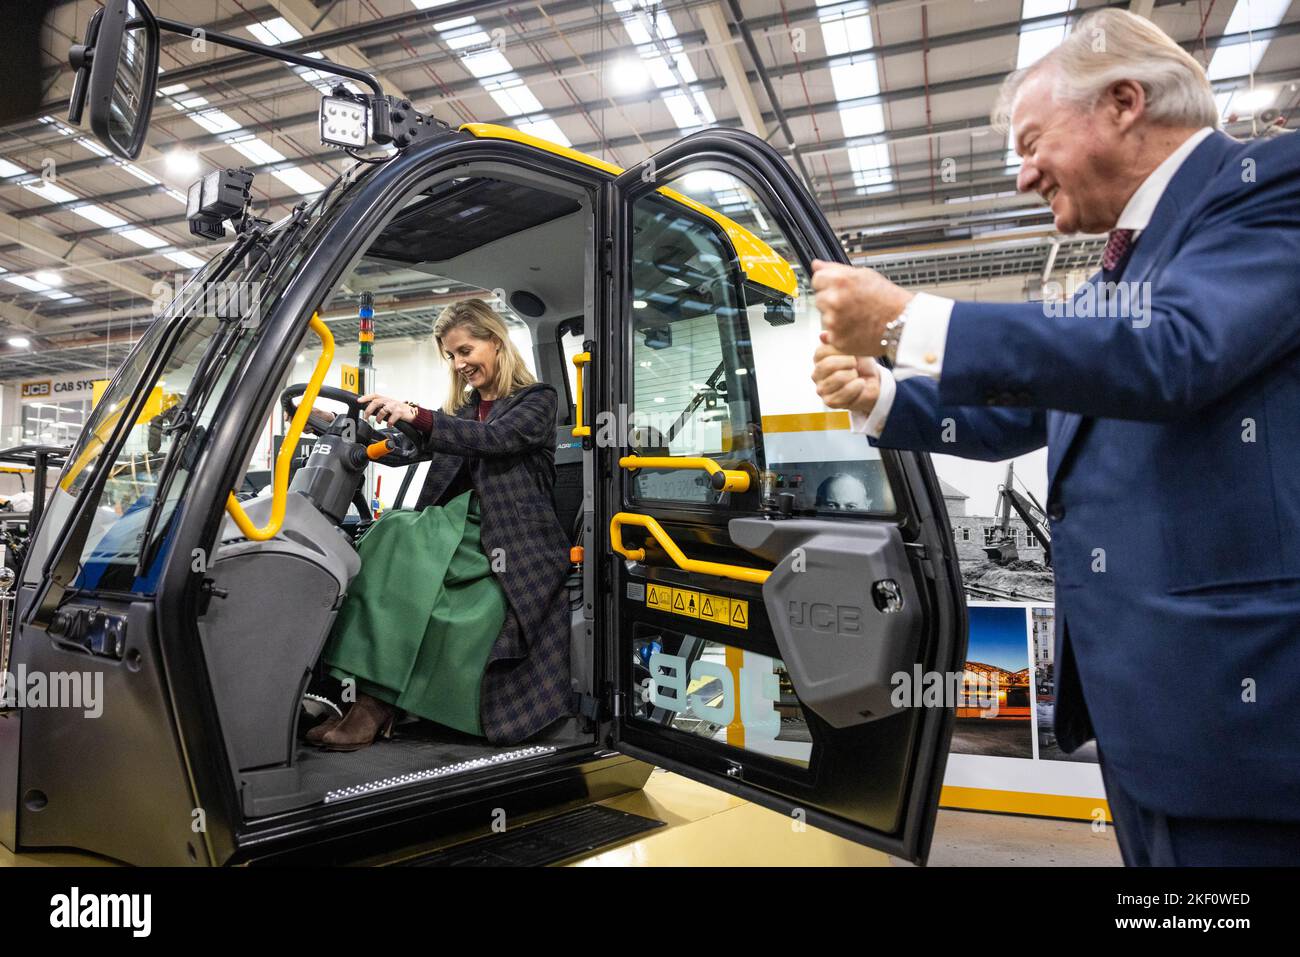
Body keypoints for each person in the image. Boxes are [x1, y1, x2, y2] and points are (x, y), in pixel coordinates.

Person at [811, 9, 1300, 865]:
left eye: (1032, 142)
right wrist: (886, 395)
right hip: (1152, 716)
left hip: (1246, 721)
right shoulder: (1129, 264)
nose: (1022, 176)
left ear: (1121, 103)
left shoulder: (1270, 187)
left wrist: (912, 319)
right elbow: (1040, 408)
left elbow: (1171, 351)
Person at [310, 298, 572, 750]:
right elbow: (407, 446)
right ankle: (359, 695)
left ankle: (374, 705)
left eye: (466, 350)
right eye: (451, 356)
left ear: (495, 342)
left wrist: (417, 414)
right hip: (458, 527)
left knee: (395, 532)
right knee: (380, 537)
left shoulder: (537, 401)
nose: (459, 364)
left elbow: (497, 439)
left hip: (511, 534)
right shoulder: (463, 414)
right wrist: (345, 429)